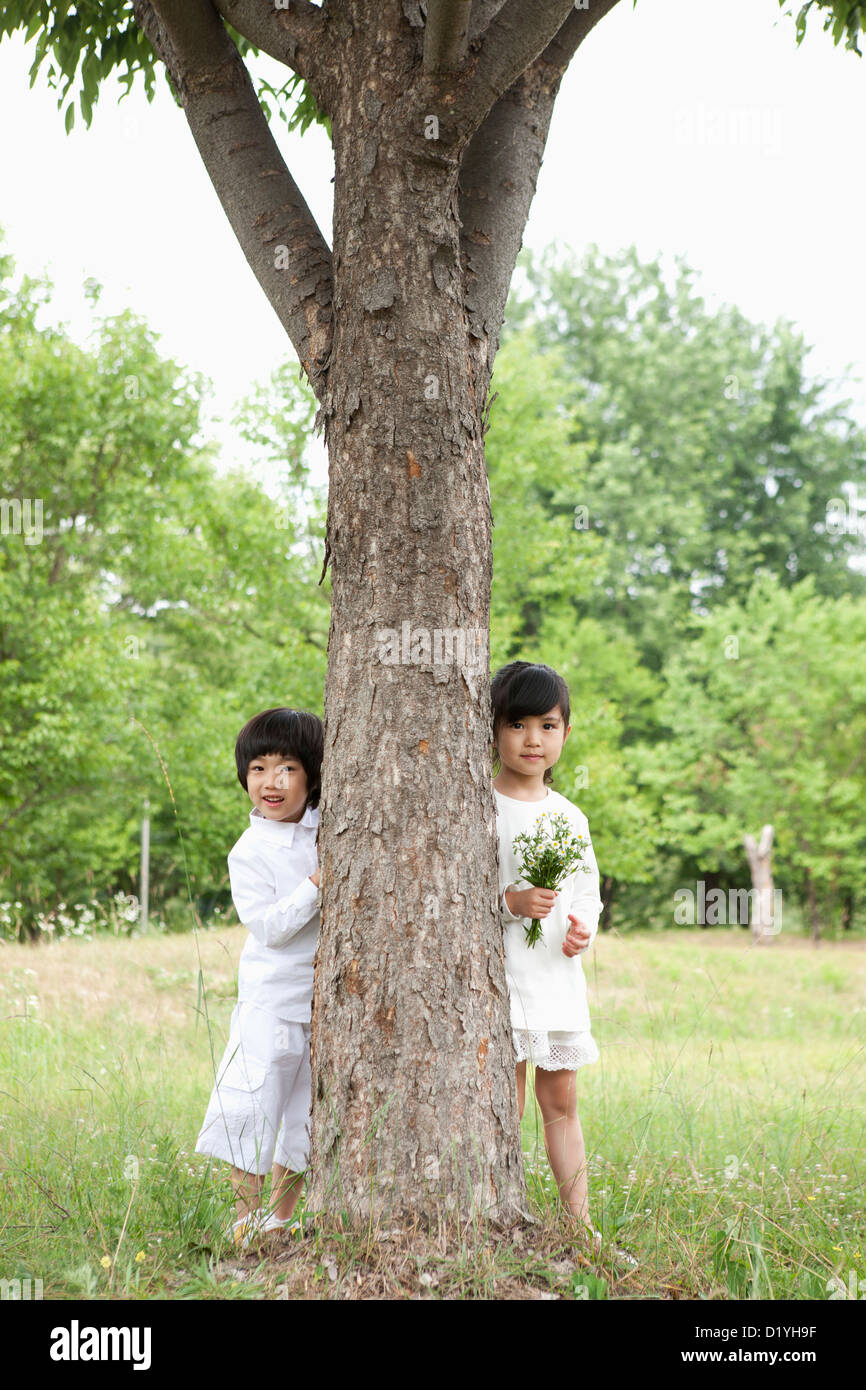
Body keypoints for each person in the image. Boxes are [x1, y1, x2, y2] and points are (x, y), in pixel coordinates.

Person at [492, 661, 632, 1262]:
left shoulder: (569, 816)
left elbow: (585, 893)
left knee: (561, 1100)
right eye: (517, 724)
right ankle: (499, 1214)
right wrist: (509, 903)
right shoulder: (479, 806)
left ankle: (579, 1225)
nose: (532, 740)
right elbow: (451, 897)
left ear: (565, 734)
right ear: (492, 729)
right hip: (500, 979)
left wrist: (582, 931)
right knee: (506, 1101)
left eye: (548, 726)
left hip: (553, 977)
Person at [195, 707, 324, 1248]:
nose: (271, 782)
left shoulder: (330, 828)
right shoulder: (248, 851)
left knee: (305, 1118)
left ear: (313, 775)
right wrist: (318, 885)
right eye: (258, 768)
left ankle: (280, 1220)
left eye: (288, 768)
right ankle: (246, 1221)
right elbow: (269, 927)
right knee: (251, 1106)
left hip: (322, 1003)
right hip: (270, 1002)